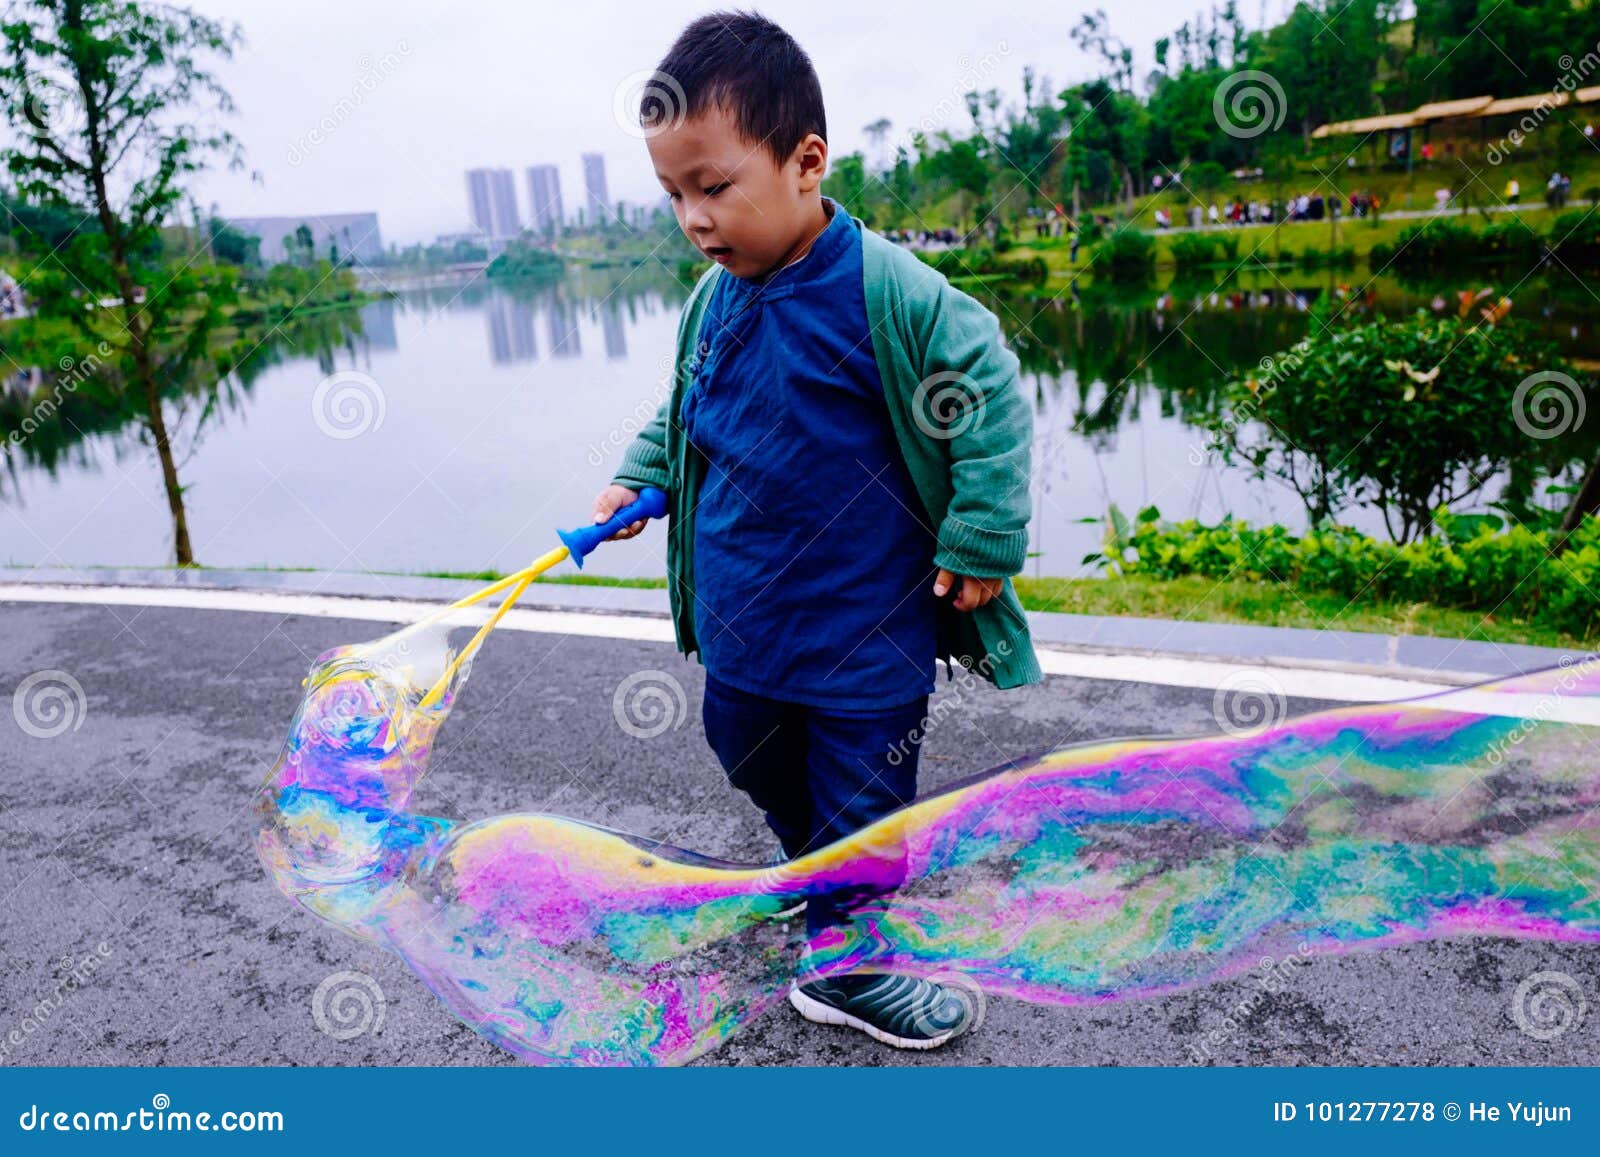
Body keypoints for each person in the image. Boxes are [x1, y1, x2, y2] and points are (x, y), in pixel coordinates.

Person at [594, 10, 1039, 1052]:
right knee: (739, 743)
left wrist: (977, 535)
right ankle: (817, 869)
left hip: (863, 629)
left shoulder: (886, 292)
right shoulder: (712, 301)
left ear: (805, 162)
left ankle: (852, 961)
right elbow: (687, 407)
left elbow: (986, 394)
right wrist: (640, 475)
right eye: (673, 195)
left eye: (713, 186)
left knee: (865, 788)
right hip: (749, 614)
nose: (693, 218)